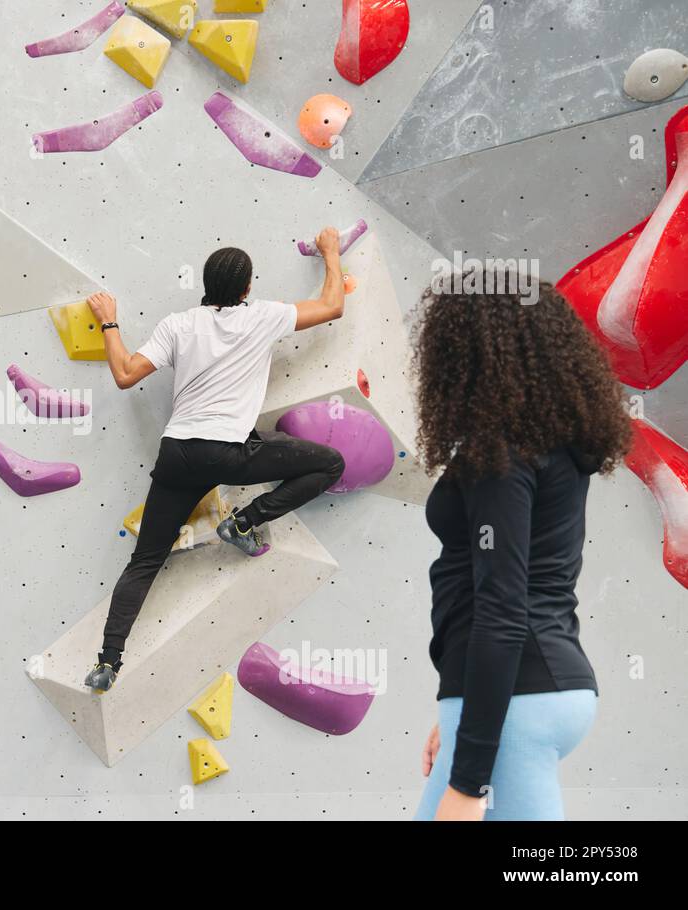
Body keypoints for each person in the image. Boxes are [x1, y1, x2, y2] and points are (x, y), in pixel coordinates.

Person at [84, 228, 349, 693]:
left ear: (205, 284)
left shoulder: (177, 325)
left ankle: (107, 662)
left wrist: (110, 322)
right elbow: (332, 306)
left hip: (178, 455)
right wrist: (330, 252)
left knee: (144, 562)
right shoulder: (263, 317)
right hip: (230, 454)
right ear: (247, 289)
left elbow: (125, 374)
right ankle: (244, 523)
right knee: (329, 464)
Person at [411, 278, 631, 821]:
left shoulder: (502, 458)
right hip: (532, 691)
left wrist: (469, 781)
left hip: (520, 699)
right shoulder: (554, 448)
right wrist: (462, 709)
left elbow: (504, 611)